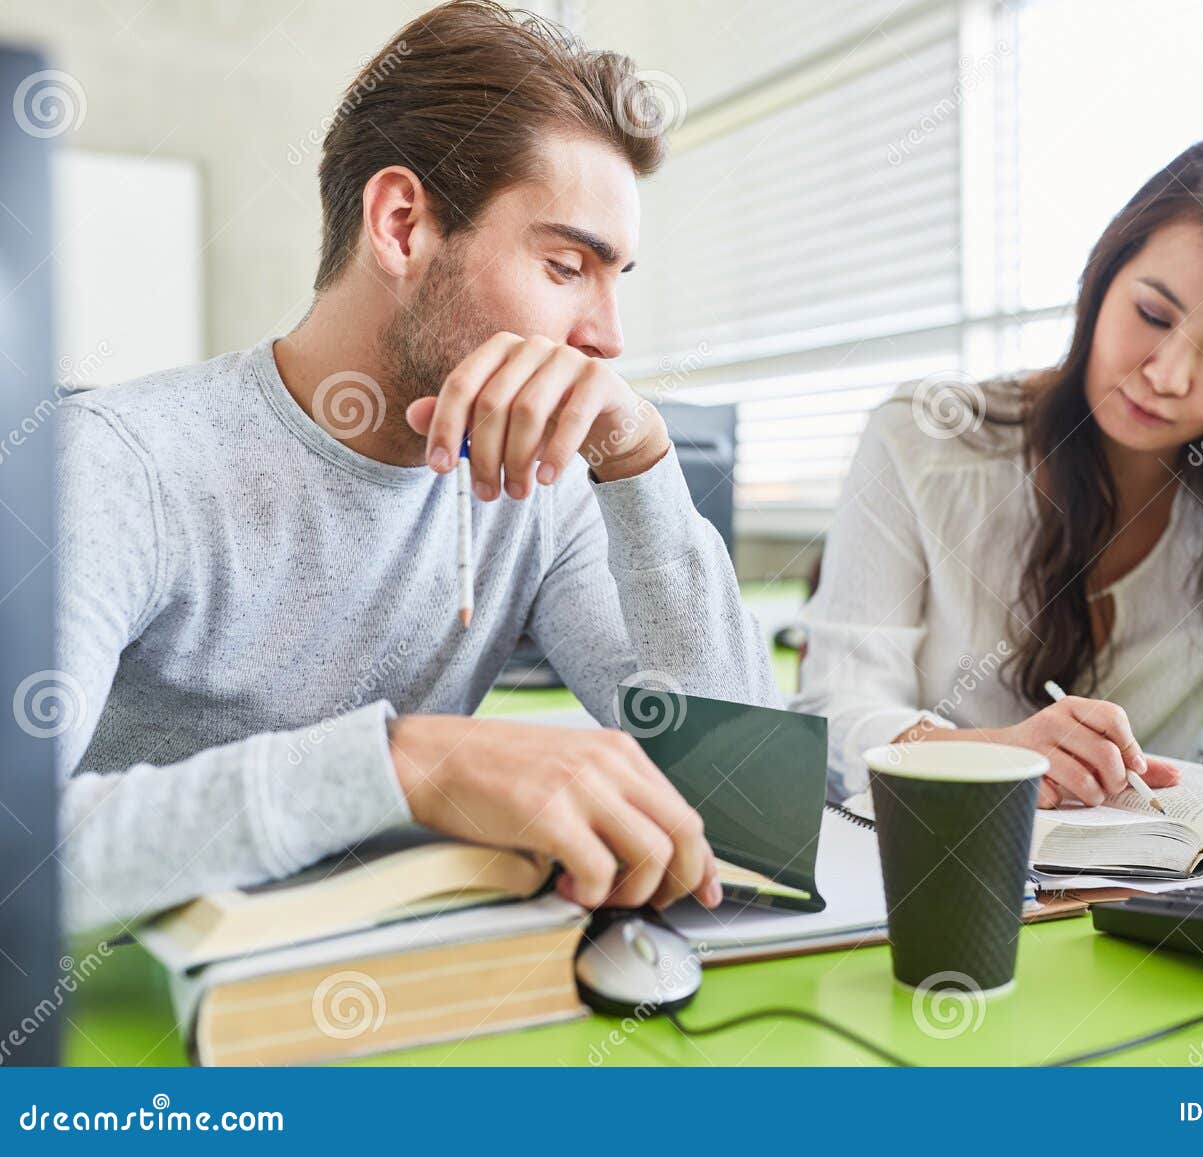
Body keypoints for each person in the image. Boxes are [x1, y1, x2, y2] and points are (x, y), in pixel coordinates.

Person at [55, 1, 779, 932]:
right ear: (401, 225)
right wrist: (401, 764)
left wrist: (638, 458)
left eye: (614, 280)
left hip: (415, 1005)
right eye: (567, 267)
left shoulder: (542, 494)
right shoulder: (119, 467)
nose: (607, 338)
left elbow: (744, 804)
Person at [794, 135, 1203, 805]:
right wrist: (1001, 755)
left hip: (1148, 890)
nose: (1166, 376)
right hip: (930, 863)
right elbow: (834, 712)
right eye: (1152, 314)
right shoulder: (923, 438)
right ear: (1103, 277)